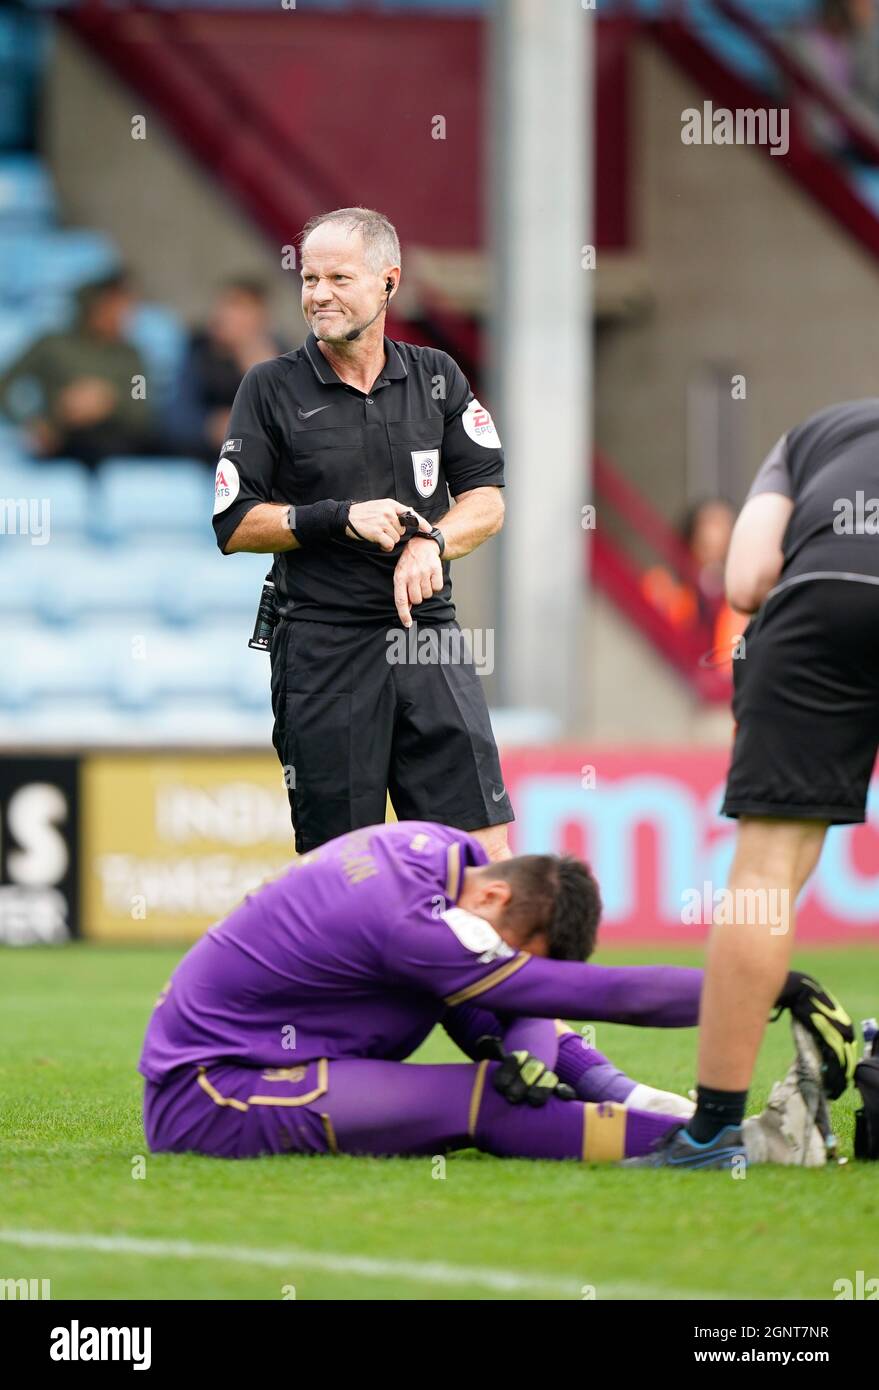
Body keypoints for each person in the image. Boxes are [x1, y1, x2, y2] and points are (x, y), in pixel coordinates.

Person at [139, 820, 837, 1167]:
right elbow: (605, 995)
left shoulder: (445, 856)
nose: (504, 959)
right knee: (494, 1093)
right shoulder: (415, 924)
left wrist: (547, 1051)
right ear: (498, 895)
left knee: (497, 1012)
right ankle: (728, 1143)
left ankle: (632, 1100)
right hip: (210, 1094)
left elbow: (521, 999)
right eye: (512, 949)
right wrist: (760, 987)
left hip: (263, 1049)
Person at [212, 207, 512, 861]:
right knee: (345, 871)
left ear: (387, 282)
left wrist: (429, 540)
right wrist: (335, 516)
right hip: (322, 648)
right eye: (310, 278)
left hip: (427, 635)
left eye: (338, 277)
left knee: (482, 854)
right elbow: (234, 524)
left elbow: (487, 501)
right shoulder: (268, 386)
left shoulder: (438, 375)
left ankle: (488, 967)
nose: (318, 293)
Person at [631, 399, 873, 1169]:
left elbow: (746, 579)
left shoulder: (814, 434)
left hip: (817, 606)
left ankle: (711, 1134)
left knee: (765, 875)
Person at [0, 269, 156, 467]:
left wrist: (109, 402)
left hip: (118, 448)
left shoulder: (132, 358)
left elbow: (142, 409)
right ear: (94, 305)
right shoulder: (52, 345)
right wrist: (30, 422)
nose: (126, 313)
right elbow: (5, 385)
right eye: (115, 305)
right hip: (60, 444)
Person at [166, 278, 283, 461]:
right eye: (226, 305)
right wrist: (209, 426)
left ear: (261, 318)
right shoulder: (198, 350)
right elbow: (176, 418)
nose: (227, 316)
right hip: (205, 460)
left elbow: (297, 426)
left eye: (241, 309)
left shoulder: (280, 355)